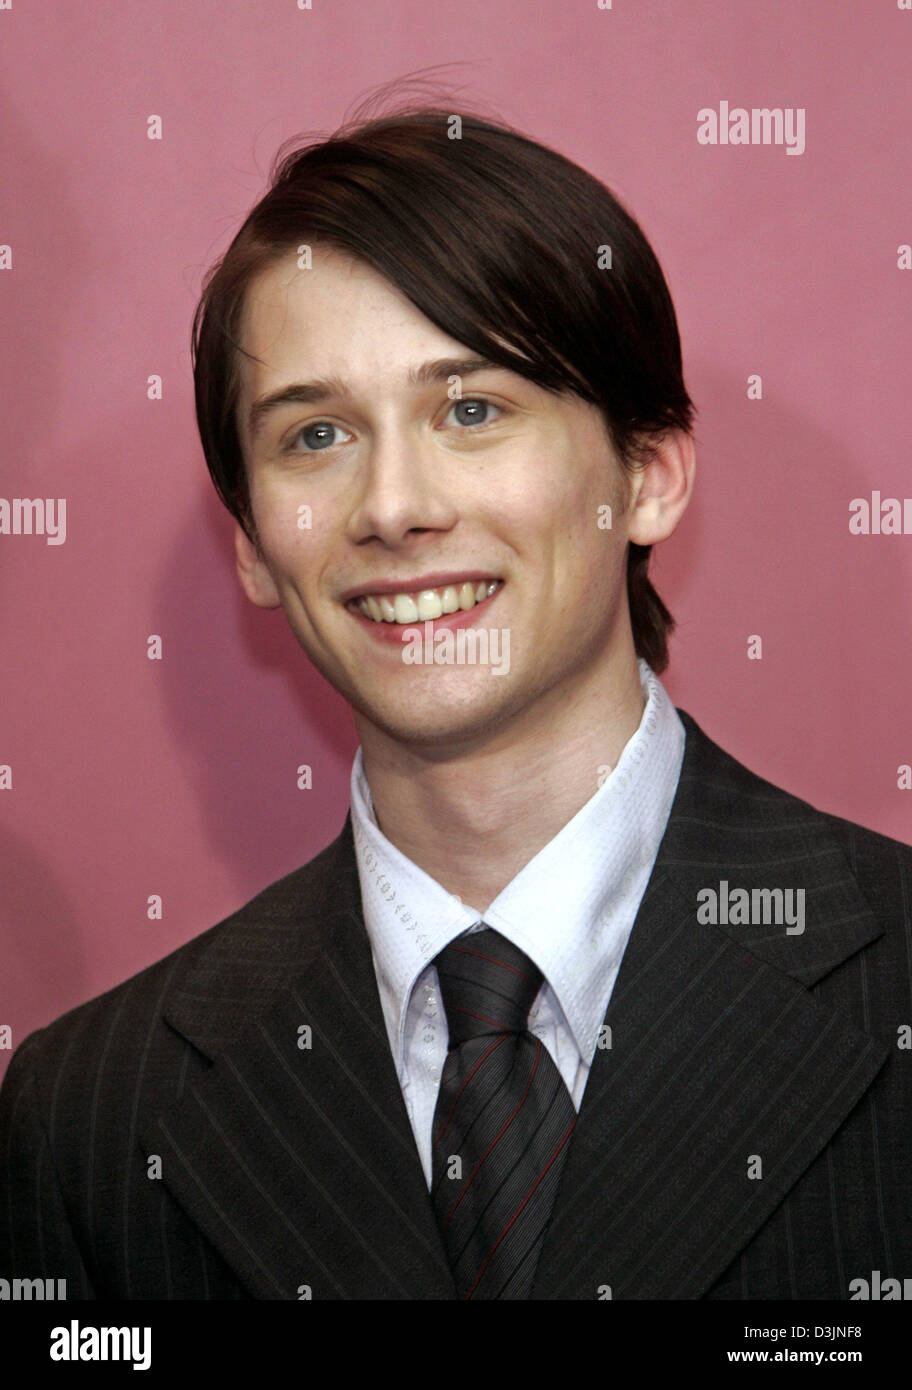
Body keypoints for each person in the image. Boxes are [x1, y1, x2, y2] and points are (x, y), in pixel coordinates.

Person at [1, 105, 909, 1302]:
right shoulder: (89, 1119)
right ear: (255, 550)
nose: (393, 504)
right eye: (316, 434)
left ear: (648, 473)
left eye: (471, 408)